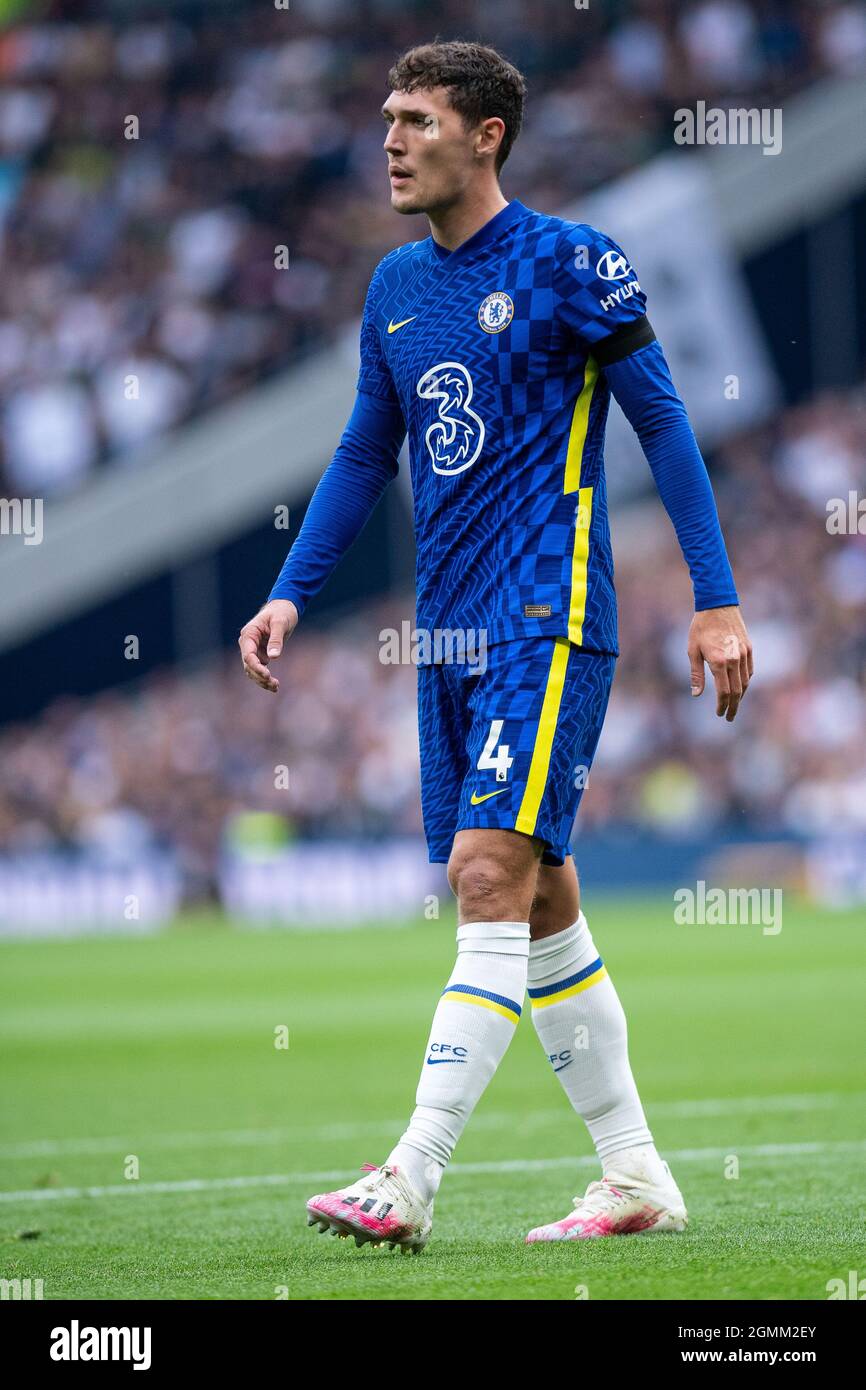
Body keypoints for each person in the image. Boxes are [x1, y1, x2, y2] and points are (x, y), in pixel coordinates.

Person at [239, 40, 753, 1251]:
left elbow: (663, 422)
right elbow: (367, 451)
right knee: (535, 908)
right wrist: (291, 592)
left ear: (486, 137)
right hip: (448, 635)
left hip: (548, 614)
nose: (390, 138)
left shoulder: (573, 262)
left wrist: (715, 596)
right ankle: (633, 1175)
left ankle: (408, 1174)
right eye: (385, 117)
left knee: (483, 874)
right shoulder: (391, 290)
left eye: (416, 118)